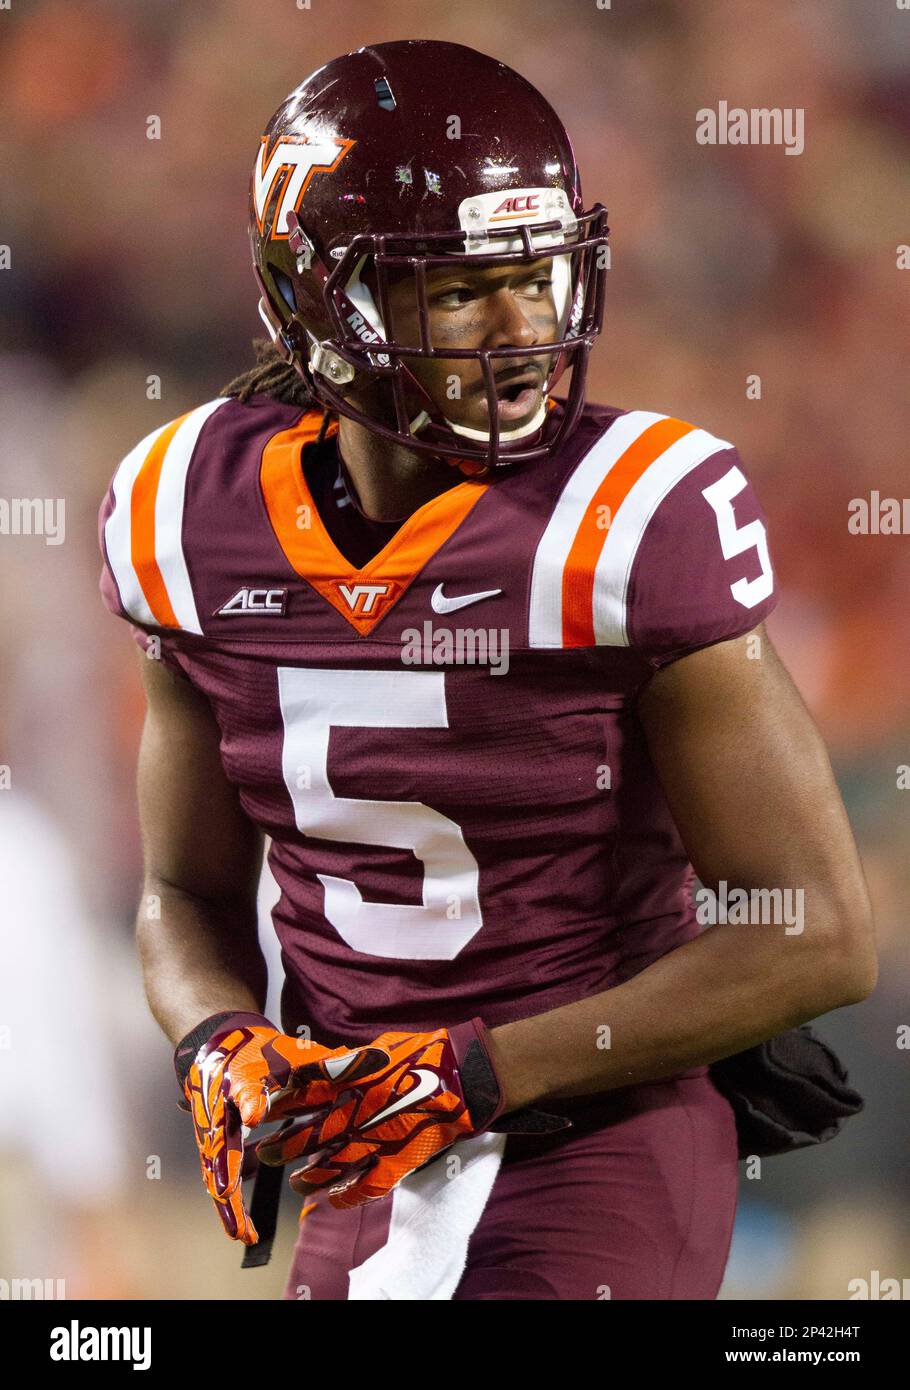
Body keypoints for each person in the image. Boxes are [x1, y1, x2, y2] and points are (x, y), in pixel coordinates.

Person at [98, 40, 876, 1300]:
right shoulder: (182, 512)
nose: (523, 333)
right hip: (364, 1152)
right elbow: (182, 892)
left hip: (595, 1143)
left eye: (537, 276)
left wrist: (471, 1069)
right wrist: (218, 1039)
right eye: (461, 290)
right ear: (317, 301)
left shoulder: (627, 515)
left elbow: (818, 935)